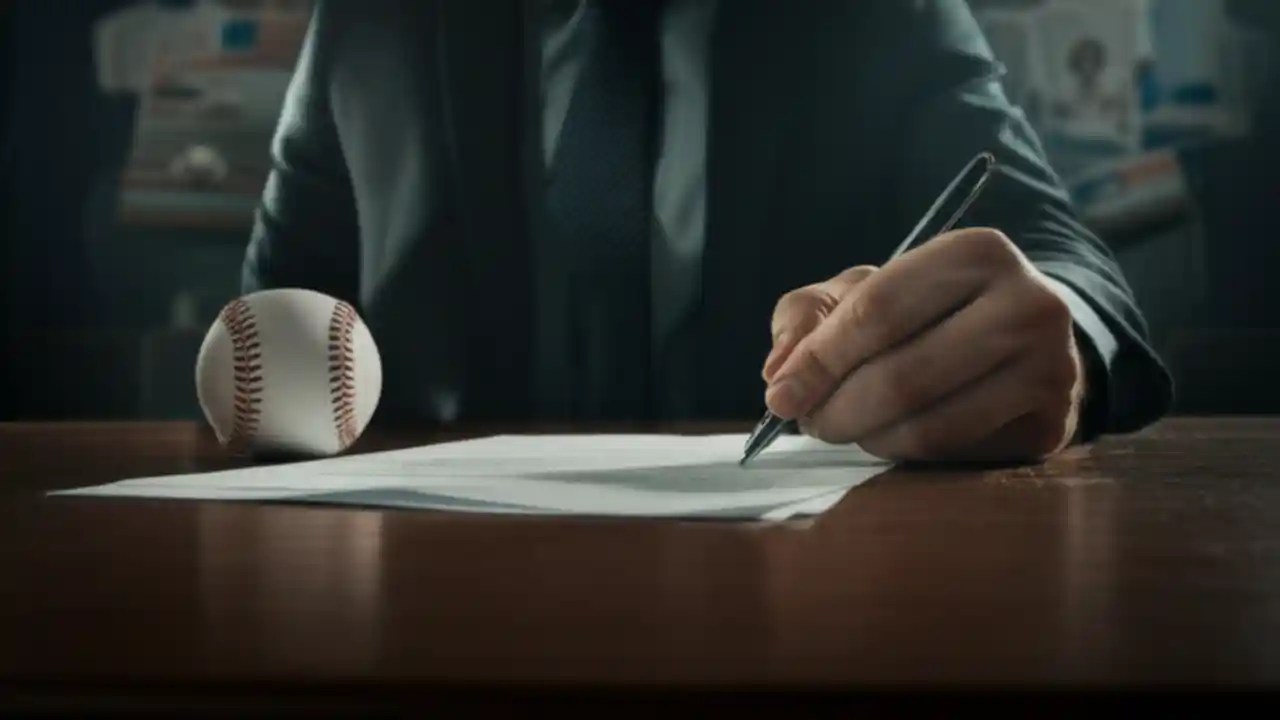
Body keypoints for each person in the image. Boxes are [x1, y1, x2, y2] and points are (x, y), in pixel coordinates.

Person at [242, 0, 1172, 462]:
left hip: (816, 608)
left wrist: (1062, 342)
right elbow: (262, 335)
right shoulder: (372, 24)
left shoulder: (878, 16)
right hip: (429, 606)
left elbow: (1061, 263)